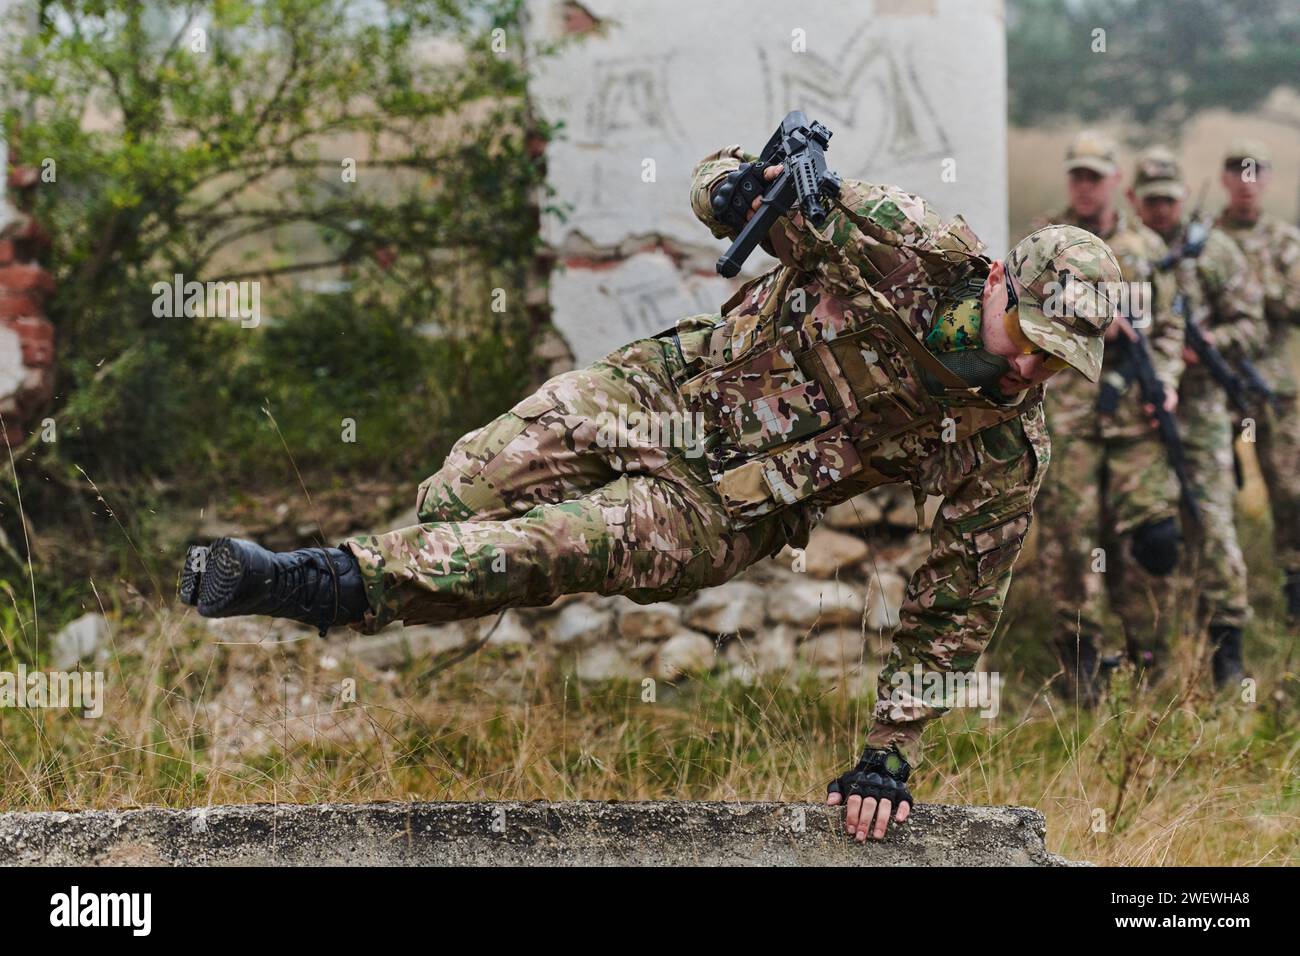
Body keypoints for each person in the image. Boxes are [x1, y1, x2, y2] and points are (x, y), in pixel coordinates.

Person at [179, 142, 1122, 842]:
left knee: (557, 544)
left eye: (1058, 358)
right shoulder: (895, 236)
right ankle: (405, 574)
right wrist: (742, 187)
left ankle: (310, 584)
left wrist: (888, 755)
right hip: (664, 388)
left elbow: (954, 608)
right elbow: (724, 195)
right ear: (1000, 280)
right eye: (1030, 333)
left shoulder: (1002, 447)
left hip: (724, 503)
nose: (1034, 364)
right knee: (460, 497)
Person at [1033, 130, 1184, 703]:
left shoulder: (1144, 249)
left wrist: (1164, 383)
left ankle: (1150, 658)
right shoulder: (1047, 242)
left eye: (1096, 176)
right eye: (1078, 175)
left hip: (1134, 425)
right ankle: (1080, 665)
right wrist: (1094, 312)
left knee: (1152, 540)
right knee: (1070, 543)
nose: (1086, 186)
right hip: (1068, 414)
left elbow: (1170, 328)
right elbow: (1017, 306)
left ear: (1116, 180)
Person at [1129, 146, 1265, 687]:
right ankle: (1150, 649)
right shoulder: (1125, 252)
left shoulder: (1215, 253)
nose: (1162, 209)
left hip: (1203, 410)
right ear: (1135, 200)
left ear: (1183, 196)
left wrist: (1207, 346)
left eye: (1169, 199)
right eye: (1152, 200)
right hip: (1138, 414)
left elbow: (1252, 325)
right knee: (1146, 531)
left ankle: (1227, 647)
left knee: (1212, 523)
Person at [1214, 139, 1300, 626]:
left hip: (1274, 388)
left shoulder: (1286, 241)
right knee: (1215, 485)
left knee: (1289, 488)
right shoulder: (1205, 237)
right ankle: (1220, 588)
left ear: (1265, 180)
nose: (1246, 181)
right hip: (1220, 386)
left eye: (1255, 172)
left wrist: (1248, 292)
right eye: (1237, 171)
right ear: (1225, 179)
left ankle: (1294, 582)